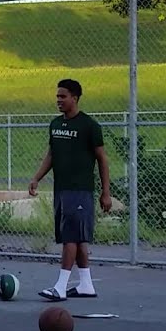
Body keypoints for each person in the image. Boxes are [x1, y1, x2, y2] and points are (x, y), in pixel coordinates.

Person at [28, 78, 112, 302]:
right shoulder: (55, 125)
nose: (59, 100)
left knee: (70, 238)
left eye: (63, 96)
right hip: (62, 190)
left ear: (75, 98)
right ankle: (86, 285)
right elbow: (52, 156)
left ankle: (61, 286)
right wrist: (36, 178)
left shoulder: (89, 126)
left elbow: (102, 160)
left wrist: (106, 192)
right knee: (78, 238)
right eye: (57, 96)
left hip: (80, 190)